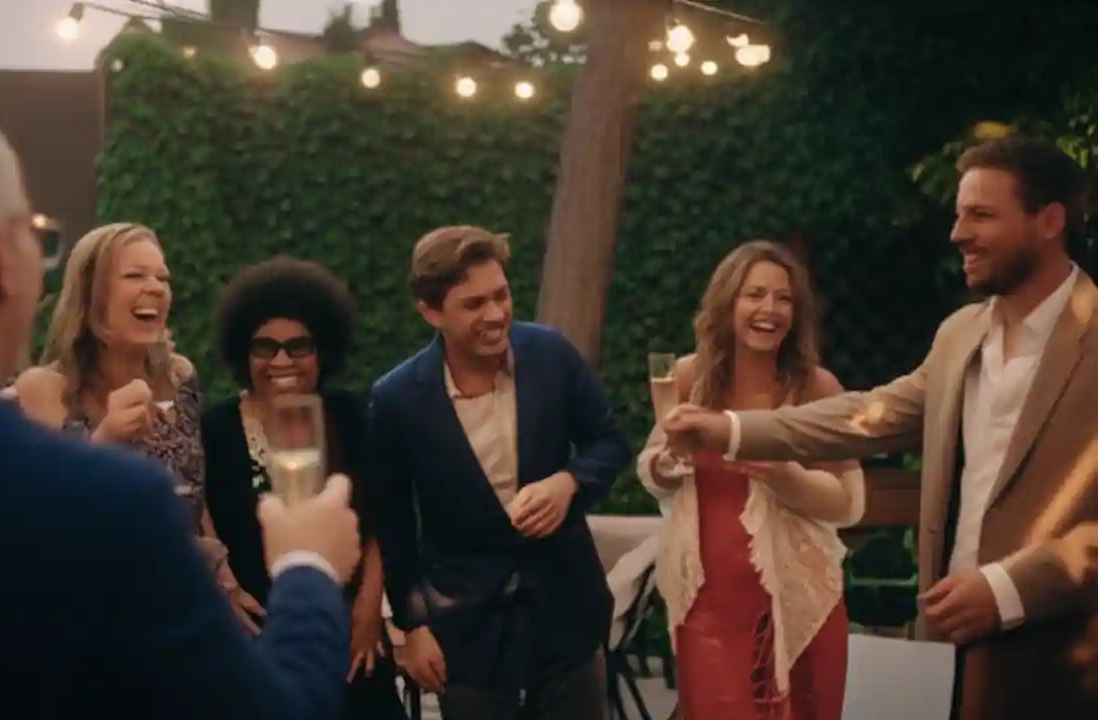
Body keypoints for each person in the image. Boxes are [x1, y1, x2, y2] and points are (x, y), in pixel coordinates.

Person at [0, 81, 360, 718]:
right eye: (35, 234)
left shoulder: (175, 387)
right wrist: (308, 564)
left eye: (163, 276)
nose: (155, 287)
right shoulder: (101, 497)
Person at [661, 136, 1098, 720]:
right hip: (955, 646)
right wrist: (731, 430)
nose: (957, 233)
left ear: (1049, 221)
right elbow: (866, 416)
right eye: (958, 214)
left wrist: (1007, 589)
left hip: (1070, 658)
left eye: (981, 215)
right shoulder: (961, 334)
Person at [367, 226, 631, 720]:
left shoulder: (551, 354)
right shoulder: (396, 400)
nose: (495, 315)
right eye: (473, 304)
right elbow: (394, 522)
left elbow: (610, 442)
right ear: (430, 311)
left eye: (501, 295)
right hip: (465, 629)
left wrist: (568, 482)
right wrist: (411, 626)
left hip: (568, 612)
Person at [638, 240, 863, 720]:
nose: (770, 309)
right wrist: (670, 462)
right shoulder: (688, 378)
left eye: (783, 298)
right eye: (754, 294)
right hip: (709, 605)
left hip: (801, 599)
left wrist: (782, 475)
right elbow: (656, 473)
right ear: (728, 303)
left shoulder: (817, 388)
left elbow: (849, 503)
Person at [9, 223, 252, 624]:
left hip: (183, 602)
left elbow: (191, 491)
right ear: (91, 294)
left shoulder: (180, 376)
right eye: (135, 275)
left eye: (163, 277)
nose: (156, 287)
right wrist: (107, 438)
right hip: (96, 608)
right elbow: (45, 515)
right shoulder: (45, 390)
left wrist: (224, 576)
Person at [202, 256, 408, 720]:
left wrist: (370, 607)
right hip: (259, 634)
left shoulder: (348, 415)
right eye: (265, 347)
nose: (281, 361)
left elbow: (378, 518)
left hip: (352, 631)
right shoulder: (215, 429)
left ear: (323, 351)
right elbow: (205, 523)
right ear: (242, 352)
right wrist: (230, 593)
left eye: (298, 347)